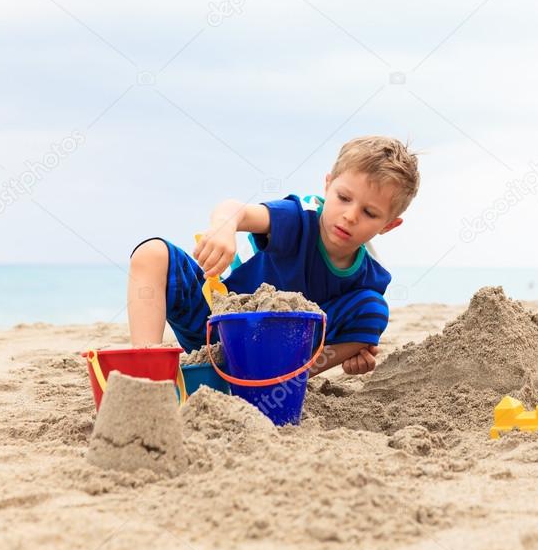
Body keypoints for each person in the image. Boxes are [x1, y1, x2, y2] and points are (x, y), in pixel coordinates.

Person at [127, 136, 419, 376]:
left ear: (389, 225)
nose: (350, 216)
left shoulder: (370, 276)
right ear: (327, 185)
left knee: (373, 308)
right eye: (343, 198)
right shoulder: (298, 218)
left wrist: (355, 352)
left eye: (370, 213)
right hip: (216, 326)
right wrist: (224, 228)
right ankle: (146, 372)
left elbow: (359, 328)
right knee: (152, 253)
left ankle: (289, 377)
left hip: (280, 355)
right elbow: (235, 209)